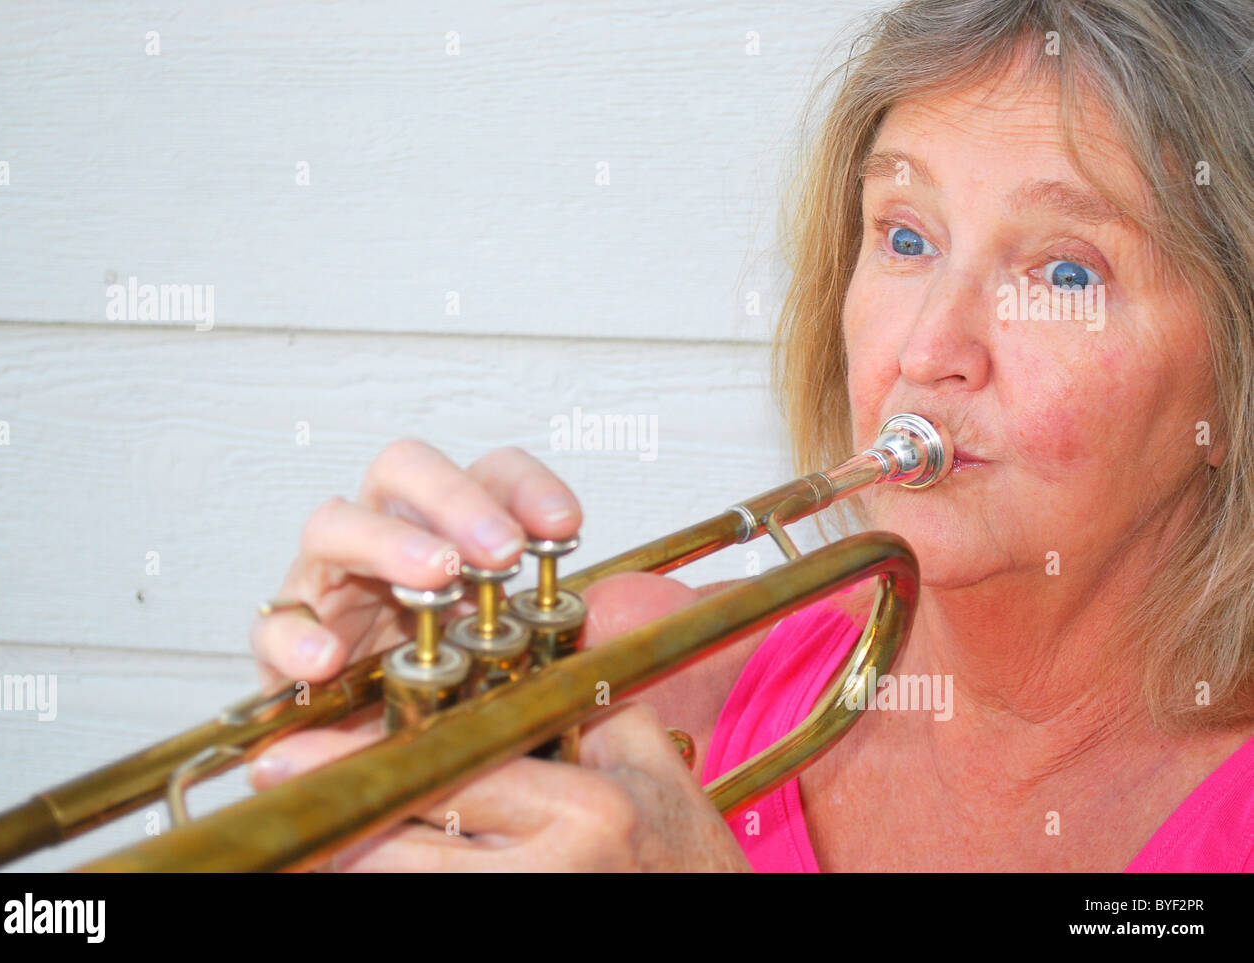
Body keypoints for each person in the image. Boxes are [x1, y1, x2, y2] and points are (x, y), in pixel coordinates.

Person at [247, 0, 1254, 871]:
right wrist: (358, 779)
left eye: (1064, 273)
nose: (929, 348)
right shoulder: (646, 679)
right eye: (906, 238)